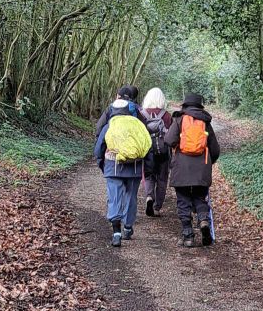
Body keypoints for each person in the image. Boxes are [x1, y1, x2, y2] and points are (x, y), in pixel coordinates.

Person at [164, 93, 222, 247]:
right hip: (201, 169)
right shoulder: (205, 122)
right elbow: (215, 149)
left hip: (181, 168)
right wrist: (209, 163)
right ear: (200, 106)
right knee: (200, 198)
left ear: (185, 105)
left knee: (183, 201)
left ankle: (188, 236)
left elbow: (169, 140)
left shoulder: (179, 120)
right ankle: (203, 220)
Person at [95, 105, 154, 247]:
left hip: (113, 167)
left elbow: (99, 148)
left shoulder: (110, 125)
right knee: (131, 197)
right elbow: (148, 146)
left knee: (114, 198)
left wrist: (102, 164)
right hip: (134, 168)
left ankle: (116, 232)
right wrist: (148, 168)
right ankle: (128, 227)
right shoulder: (138, 125)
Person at [140, 88, 173, 217]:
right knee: (162, 179)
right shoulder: (166, 115)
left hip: (148, 151)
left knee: (148, 176)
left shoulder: (142, 114)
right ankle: (157, 207)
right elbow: (171, 135)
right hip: (163, 151)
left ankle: (149, 196)